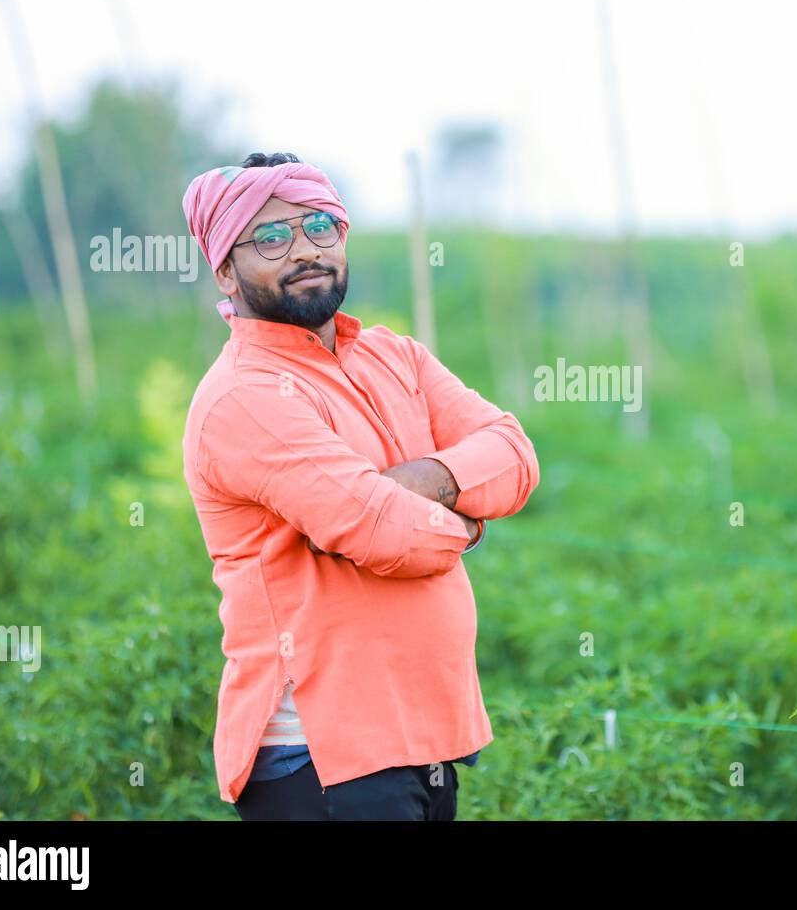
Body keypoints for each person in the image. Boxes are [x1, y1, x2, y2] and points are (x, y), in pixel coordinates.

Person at [179, 152, 539, 819]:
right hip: (323, 762)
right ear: (225, 267)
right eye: (271, 237)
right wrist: (468, 514)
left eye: (320, 225)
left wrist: (420, 481)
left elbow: (516, 458)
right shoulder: (243, 398)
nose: (305, 250)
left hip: (422, 744)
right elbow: (390, 538)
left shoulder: (394, 355)